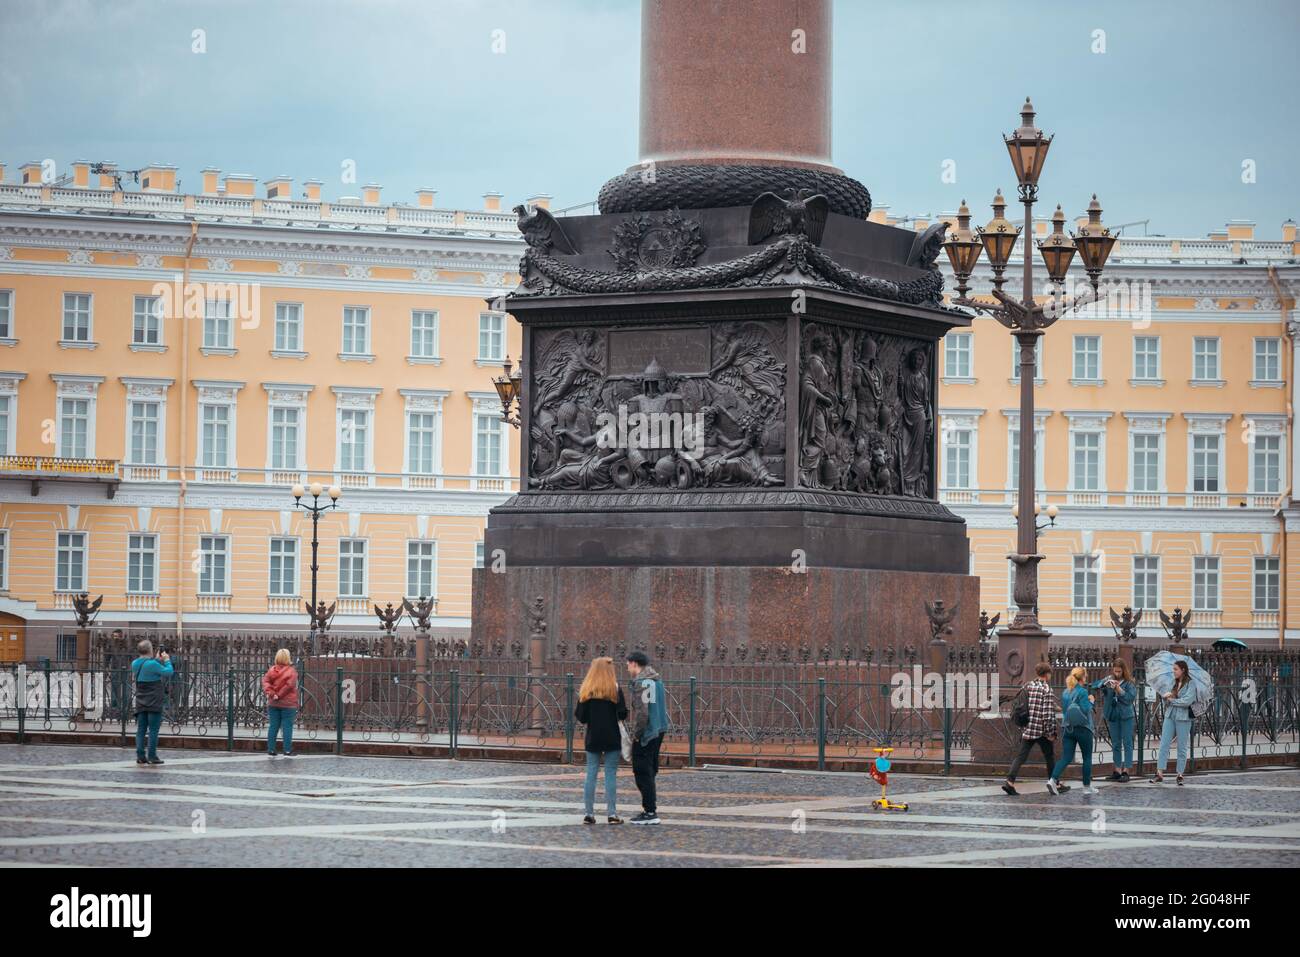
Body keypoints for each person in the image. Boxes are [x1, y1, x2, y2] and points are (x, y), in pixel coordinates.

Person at [574, 657, 628, 825]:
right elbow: (622, 714)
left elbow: (581, 717)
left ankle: (589, 814)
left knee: (591, 774)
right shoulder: (615, 689)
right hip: (612, 736)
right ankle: (612, 814)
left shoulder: (587, 690)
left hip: (593, 736)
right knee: (610, 774)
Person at [1002, 661, 1061, 795]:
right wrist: (1051, 732)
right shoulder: (1047, 689)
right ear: (1047, 674)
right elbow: (1046, 714)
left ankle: (1009, 782)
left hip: (1028, 728)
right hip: (1041, 730)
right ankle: (1054, 783)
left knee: (1020, 757)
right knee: (1049, 756)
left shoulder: (1028, 685)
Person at [625, 650, 668, 825]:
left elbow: (642, 713)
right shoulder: (656, 681)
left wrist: (637, 734)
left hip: (648, 732)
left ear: (635, 663)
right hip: (659, 729)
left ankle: (650, 811)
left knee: (643, 772)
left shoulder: (642, 683)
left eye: (628, 664)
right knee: (650, 769)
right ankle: (649, 809)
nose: (627, 667)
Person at [1048, 666, 1097, 795]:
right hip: (1083, 729)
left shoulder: (1065, 692)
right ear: (1083, 678)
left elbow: (1065, 711)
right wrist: (1091, 701)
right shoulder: (1083, 692)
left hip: (1068, 728)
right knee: (1087, 758)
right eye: (1085, 676)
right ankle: (1086, 787)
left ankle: (1053, 780)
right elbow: (1086, 710)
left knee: (1066, 757)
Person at [1154, 659, 1196, 785]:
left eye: (1176, 669)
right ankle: (1159, 773)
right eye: (1173, 669)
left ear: (1183, 670)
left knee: (1181, 746)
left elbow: (1187, 701)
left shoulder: (1191, 683)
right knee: (1164, 744)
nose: (1174, 671)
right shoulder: (1173, 682)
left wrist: (1172, 701)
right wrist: (1166, 698)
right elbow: (1168, 701)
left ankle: (1180, 774)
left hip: (1183, 718)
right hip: (1170, 715)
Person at [131, 639, 173, 766]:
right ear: (150, 650)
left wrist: (155, 660)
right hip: (154, 699)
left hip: (141, 699)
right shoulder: (152, 664)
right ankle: (152, 756)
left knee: (141, 729)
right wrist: (167, 660)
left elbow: (147, 667)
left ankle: (140, 756)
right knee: (153, 729)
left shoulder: (135, 663)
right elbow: (169, 672)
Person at [1096, 658, 1137, 782]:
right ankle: (1117, 770)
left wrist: (1119, 690)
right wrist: (1104, 684)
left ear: (1123, 670)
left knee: (1127, 743)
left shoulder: (1129, 683)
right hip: (1113, 716)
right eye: (1115, 671)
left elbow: (1130, 699)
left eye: (1119, 671)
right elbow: (1096, 687)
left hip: (1126, 716)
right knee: (1115, 744)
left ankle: (1126, 771)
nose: (1117, 674)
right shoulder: (1109, 679)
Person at [262, 649, 299, 757]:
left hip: (273, 703)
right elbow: (289, 685)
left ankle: (271, 749)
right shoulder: (291, 671)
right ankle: (287, 750)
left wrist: (272, 694)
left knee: (273, 726)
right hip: (288, 704)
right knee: (287, 726)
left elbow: (265, 682)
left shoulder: (271, 670)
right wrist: (279, 695)